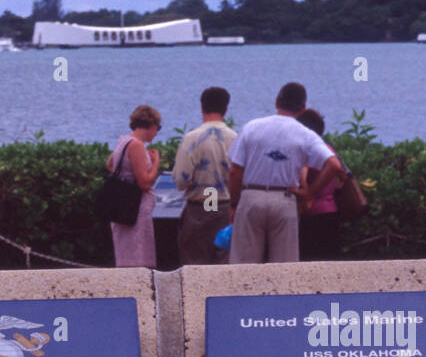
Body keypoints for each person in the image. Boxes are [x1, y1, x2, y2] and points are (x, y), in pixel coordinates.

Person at [227, 82, 344, 263]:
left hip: (251, 197)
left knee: (244, 265)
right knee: (284, 268)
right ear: (303, 108)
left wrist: (234, 204)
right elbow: (334, 166)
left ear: (276, 102)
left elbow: (235, 171)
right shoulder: (306, 134)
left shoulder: (251, 127)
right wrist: (309, 194)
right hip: (284, 199)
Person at [173, 87, 238, 265]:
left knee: (195, 263)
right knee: (222, 261)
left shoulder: (191, 138)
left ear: (202, 107)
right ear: (226, 110)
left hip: (200, 209)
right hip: (225, 208)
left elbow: (180, 180)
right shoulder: (235, 138)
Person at [106, 104, 161, 268]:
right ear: (151, 125)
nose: (157, 132)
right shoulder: (136, 145)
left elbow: (110, 164)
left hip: (122, 206)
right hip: (135, 209)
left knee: (125, 253)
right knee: (138, 255)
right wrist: (156, 161)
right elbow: (145, 182)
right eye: (158, 127)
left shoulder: (123, 141)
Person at [295, 108, 341, 261]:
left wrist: (308, 194)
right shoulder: (329, 149)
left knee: (309, 262)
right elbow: (342, 178)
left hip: (311, 214)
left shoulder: (308, 150)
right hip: (331, 210)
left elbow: (303, 172)